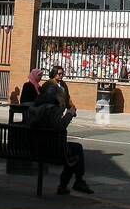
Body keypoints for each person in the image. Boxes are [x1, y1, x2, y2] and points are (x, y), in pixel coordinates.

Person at [32, 66, 92, 195]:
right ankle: (72, 183)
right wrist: (69, 114)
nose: (61, 75)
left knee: (74, 151)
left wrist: (71, 107)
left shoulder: (35, 110)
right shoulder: (50, 108)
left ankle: (72, 183)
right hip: (52, 149)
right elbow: (60, 127)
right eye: (59, 73)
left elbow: (67, 98)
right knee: (76, 151)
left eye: (62, 73)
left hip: (36, 145)